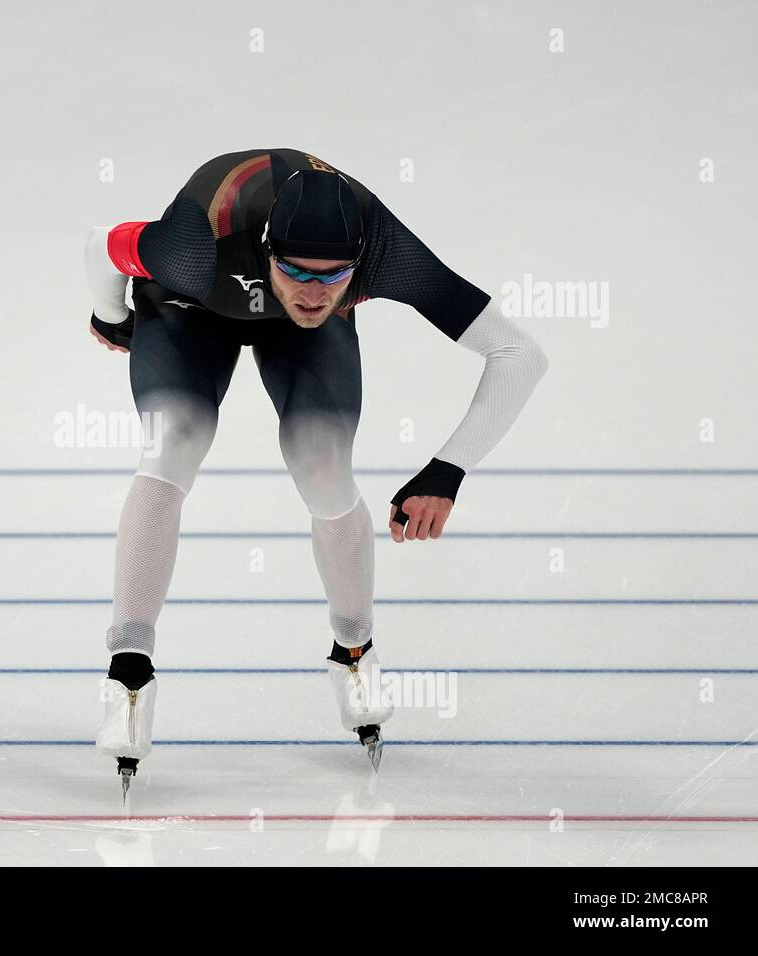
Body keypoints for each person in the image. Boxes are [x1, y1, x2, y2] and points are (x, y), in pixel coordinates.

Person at [83, 148, 548, 792]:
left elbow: (520, 353)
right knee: (173, 442)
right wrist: (113, 320)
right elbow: (102, 245)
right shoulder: (192, 247)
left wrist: (447, 470)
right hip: (191, 301)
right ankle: (128, 671)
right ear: (268, 249)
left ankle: (353, 649)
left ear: (360, 264)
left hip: (291, 326)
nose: (312, 289)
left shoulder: (386, 250)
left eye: (333, 276)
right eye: (297, 270)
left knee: (323, 462)